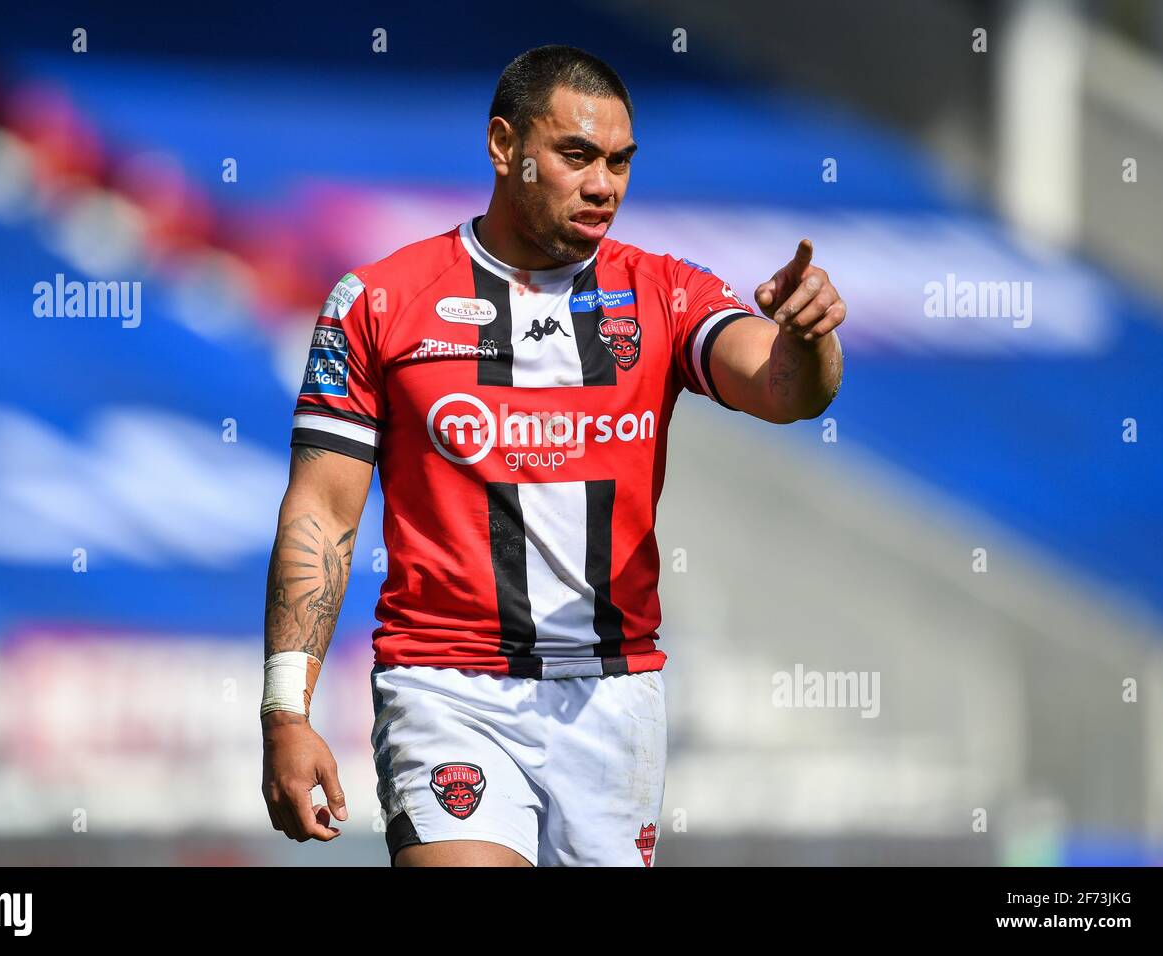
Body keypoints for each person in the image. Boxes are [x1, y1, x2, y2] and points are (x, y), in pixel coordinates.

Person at [260, 44, 845, 867]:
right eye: (576, 156)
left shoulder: (665, 293)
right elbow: (322, 511)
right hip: (446, 685)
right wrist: (286, 711)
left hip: (612, 695)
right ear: (505, 147)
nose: (603, 183)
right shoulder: (379, 302)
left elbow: (787, 390)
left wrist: (811, 338)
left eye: (619, 162)